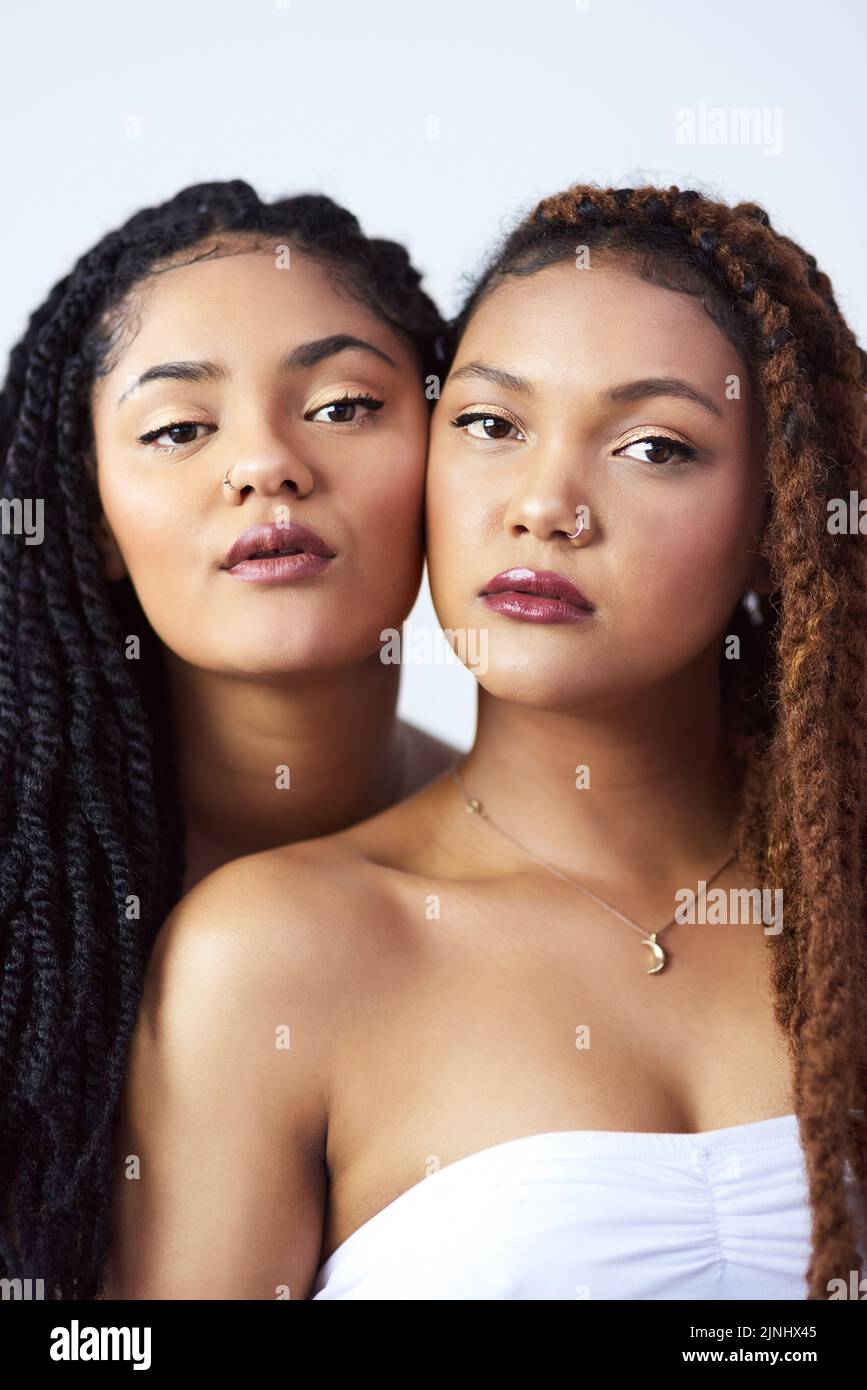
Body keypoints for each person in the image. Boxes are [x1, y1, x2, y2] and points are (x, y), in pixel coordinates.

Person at [105, 183, 867, 1300]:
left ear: (778, 520)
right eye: (492, 425)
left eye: (654, 446)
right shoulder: (267, 955)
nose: (545, 503)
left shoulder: (838, 896)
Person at [0, 179, 457, 1296]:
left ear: (456, 450)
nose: (265, 464)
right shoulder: (30, 911)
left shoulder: (561, 875)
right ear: (95, 518)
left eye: (344, 405)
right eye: (177, 428)